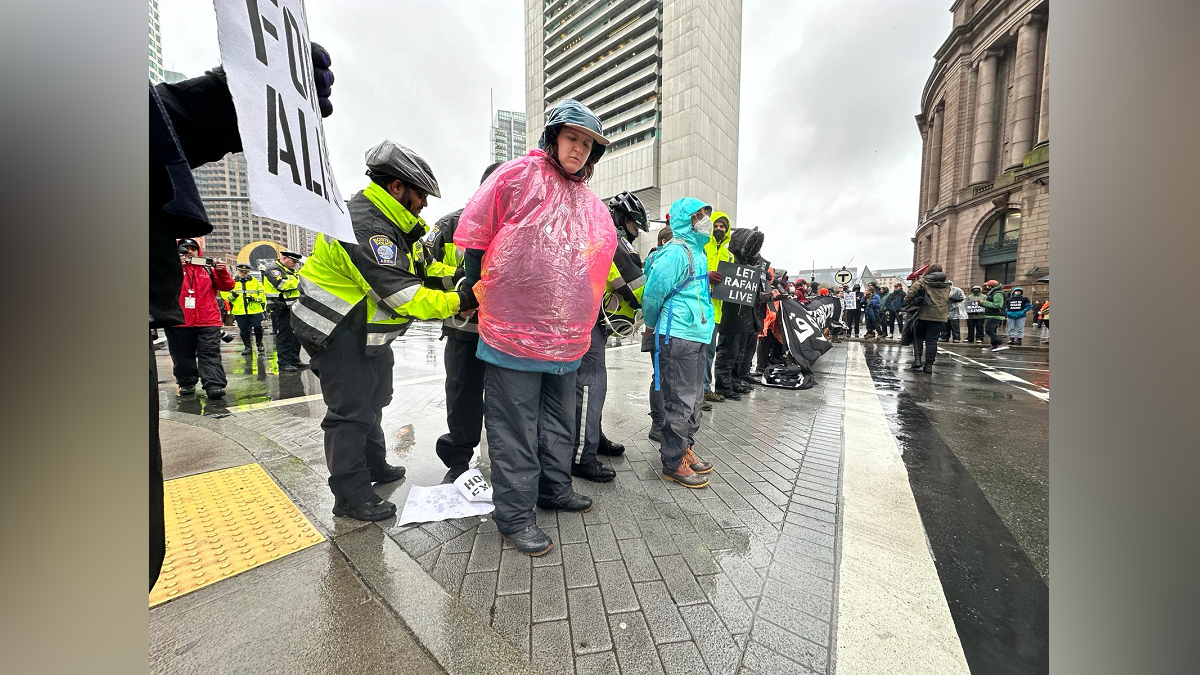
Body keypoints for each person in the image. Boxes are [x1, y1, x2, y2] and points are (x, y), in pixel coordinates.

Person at [148, 45, 334, 591]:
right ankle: (202, 384)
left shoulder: (210, 273)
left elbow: (156, 126)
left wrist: (243, 98)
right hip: (204, 320)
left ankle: (213, 385)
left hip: (199, 318)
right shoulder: (219, 273)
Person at [455, 99, 616, 555]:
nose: (580, 150)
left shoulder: (589, 203)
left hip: (565, 340)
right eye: (573, 138)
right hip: (512, 333)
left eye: (588, 144)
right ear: (553, 137)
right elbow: (477, 238)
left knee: (560, 421)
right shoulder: (515, 176)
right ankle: (514, 516)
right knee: (514, 427)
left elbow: (595, 260)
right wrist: (480, 288)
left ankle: (554, 488)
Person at [293, 140, 472, 522]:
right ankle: (350, 496)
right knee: (350, 413)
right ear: (397, 188)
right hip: (337, 329)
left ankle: (374, 466)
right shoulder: (366, 224)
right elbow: (403, 294)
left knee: (374, 399)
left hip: (365, 331)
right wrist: (460, 301)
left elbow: (423, 270)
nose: (424, 203)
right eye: (420, 194)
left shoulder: (394, 224)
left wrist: (461, 279)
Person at [423, 162, 504, 483]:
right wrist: (460, 283)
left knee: (508, 399)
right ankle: (458, 457)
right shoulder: (450, 224)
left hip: (506, 333)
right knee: (463, 394)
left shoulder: (518, 225)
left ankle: (507, 459)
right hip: (464, 331)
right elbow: (422, 268)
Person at [571, 190, 650, 483]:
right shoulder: (612, 238)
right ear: (621, 217)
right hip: (589, 320)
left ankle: (593, 437)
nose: (635, 231)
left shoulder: (607, 235)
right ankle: (581, 455)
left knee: (594, 387)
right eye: (632, 224)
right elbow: (632, 282)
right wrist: (648, 301)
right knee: (589, 387)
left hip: (594, 322)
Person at [643, 197, 717, 489]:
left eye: (704, 214)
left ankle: (684, 448)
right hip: (678, 335)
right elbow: (653, 294)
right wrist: (650, 325)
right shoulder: (677, 252)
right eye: (698, 215)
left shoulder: (699, 252)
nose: (704, 220)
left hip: (696, 334)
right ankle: (673, 462)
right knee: (680, 401)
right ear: (686, 220)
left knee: (695, 399)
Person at [167, 238, 236, 397]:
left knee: (210, 352)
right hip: (179, 321)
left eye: (193, 248)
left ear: (199, 251)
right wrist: (174, 266)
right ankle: (186, 382)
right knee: (181, 355)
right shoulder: (171, 268)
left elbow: (227, 286)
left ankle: (214, 385)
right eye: (185, 249)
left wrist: (221, 271)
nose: (189, 252)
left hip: (208, 320)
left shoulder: (208, 268)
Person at [702, 212, 733, 403]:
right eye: (717, 226)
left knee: (709, 353)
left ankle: (705, 389)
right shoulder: (703, 246)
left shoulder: (729, 255)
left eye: (723, 227)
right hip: (699, 308)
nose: (719, 229)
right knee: (698, 352)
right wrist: (707, 276)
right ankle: (698, 392)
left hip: (716, 311)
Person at [263, 251, 307, 371]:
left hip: (294, 306)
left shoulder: (291, 270)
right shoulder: (273, 269)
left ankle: (294, 360)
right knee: (285, 335)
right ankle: (283, 363)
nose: (295, 264)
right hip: (282, 307)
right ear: (284, 258)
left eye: (297, 262)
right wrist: (302, 281)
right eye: (293, 261)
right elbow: (282, 285)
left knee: (296, 335)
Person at [903, 264, 952, 373]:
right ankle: (929, 365)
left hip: (922, 314)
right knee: (932, 341)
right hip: (940, 316)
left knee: (918, 337)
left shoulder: (922, 282)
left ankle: (917, 360)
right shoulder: (947, 284)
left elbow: (908, 297)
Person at [222, 263, 268, 355]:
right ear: (238, 271)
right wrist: (232, 296)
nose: (243, 273)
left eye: (246, 271)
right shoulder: (232, 282)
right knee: (244, 330)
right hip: (240, 311)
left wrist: (254, 298)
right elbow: (225, 295)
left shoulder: (255, 282)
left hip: (255, 310)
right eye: (242, 271)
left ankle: (259, 344)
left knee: (258, 328)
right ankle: (247, 347)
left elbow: (262, 296)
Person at [981, 279, 1009, 351]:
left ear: (990, 286)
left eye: (987, 285)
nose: (986, 287)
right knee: (992, 330)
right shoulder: (993, 292)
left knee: (989, 330)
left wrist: (984, 303)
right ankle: (994, 345)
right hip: (992, 314)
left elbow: (998, 305)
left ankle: (1002, 343)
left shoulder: (998, 293)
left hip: (995, 315)